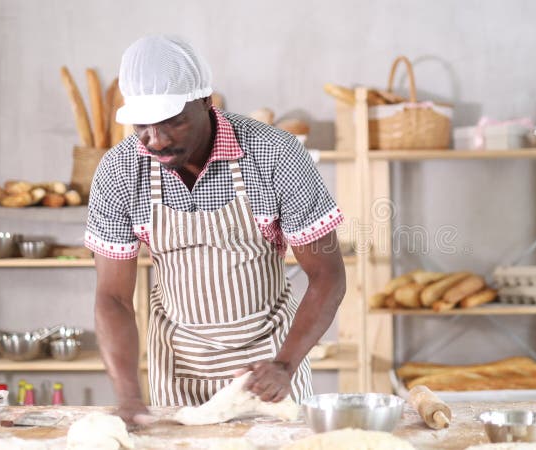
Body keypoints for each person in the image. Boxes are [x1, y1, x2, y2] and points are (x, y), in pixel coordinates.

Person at [85, 35, 346, 424]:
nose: (156, 140)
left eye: (173, 121)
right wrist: (127, 396)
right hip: (177, 369)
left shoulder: (273, 152)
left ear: (208, 101)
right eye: (143, 125)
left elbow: (327, 275)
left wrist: (285, 365)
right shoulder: (121, 170)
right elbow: (113, 298)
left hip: (269, 361)